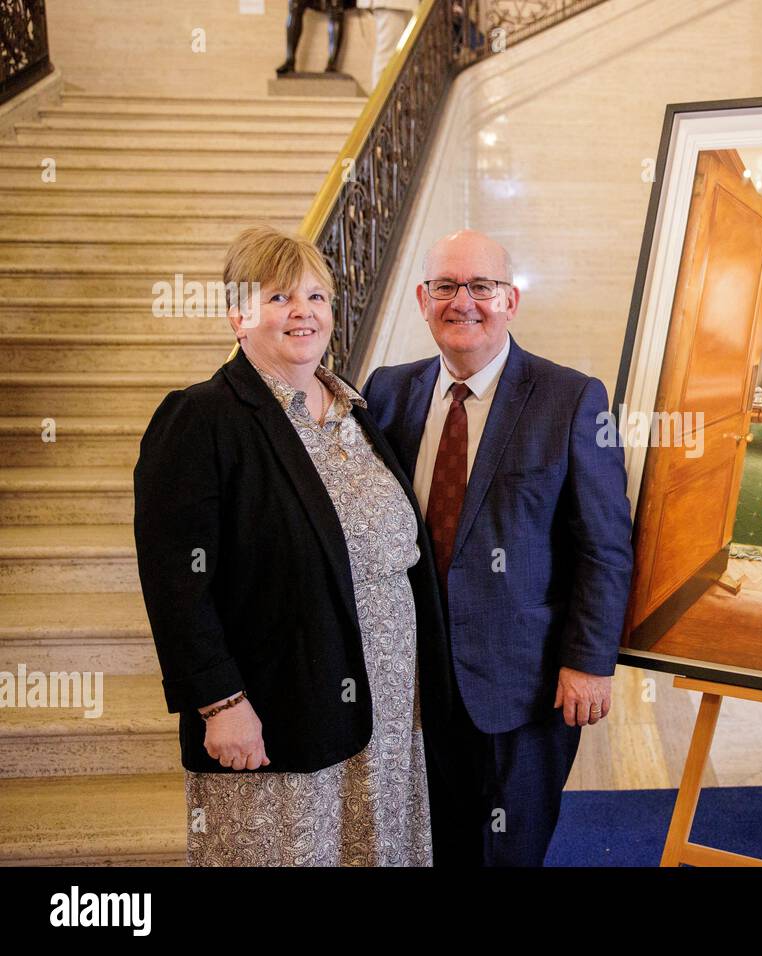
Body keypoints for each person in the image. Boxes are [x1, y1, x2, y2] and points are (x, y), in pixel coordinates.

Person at [133, 225, 452, 865]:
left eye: (316, 297)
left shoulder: (355, 413)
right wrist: (221, 703)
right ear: (237, 316)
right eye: (279, 298)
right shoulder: (203, 418)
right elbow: (176, 584)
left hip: (389, 713)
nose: (303, 313)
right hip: (280, 709)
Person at [362, 229, 633, 866]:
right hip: (413, 683)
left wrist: (590, 660)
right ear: (423, 300)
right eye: (448, 287)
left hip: (523, 685)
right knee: (430, 846)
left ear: (511, 300)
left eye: (482, 287)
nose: (465, 302)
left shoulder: (571, 398)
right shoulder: (385, 393)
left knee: (506, 853)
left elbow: (605, 545)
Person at [356, 0, 419, 91]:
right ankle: (380, 101)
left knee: (403, 58)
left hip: (404, 4)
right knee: (387, 55)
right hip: (390, 4)